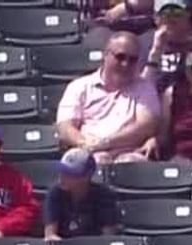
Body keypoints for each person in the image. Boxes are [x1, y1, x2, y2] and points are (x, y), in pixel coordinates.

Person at [55, 30, 162, 164]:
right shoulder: (79, 86)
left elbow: (146, 126)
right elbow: (65, 127)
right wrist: (84, 143)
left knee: (131, 163)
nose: (125, 64)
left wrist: (106, 142)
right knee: (94, 161)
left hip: (129, 153)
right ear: (105, 55)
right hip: (89, 151)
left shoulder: (144, 88)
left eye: (132, 60)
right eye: (120, 57)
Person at [43, 147, 121, 239]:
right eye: (62, 171)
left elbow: (108, 237)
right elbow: (50, 235)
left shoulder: (104, 195)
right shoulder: (55, 193)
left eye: (69, 173)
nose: (62, 177)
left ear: (85, 177)